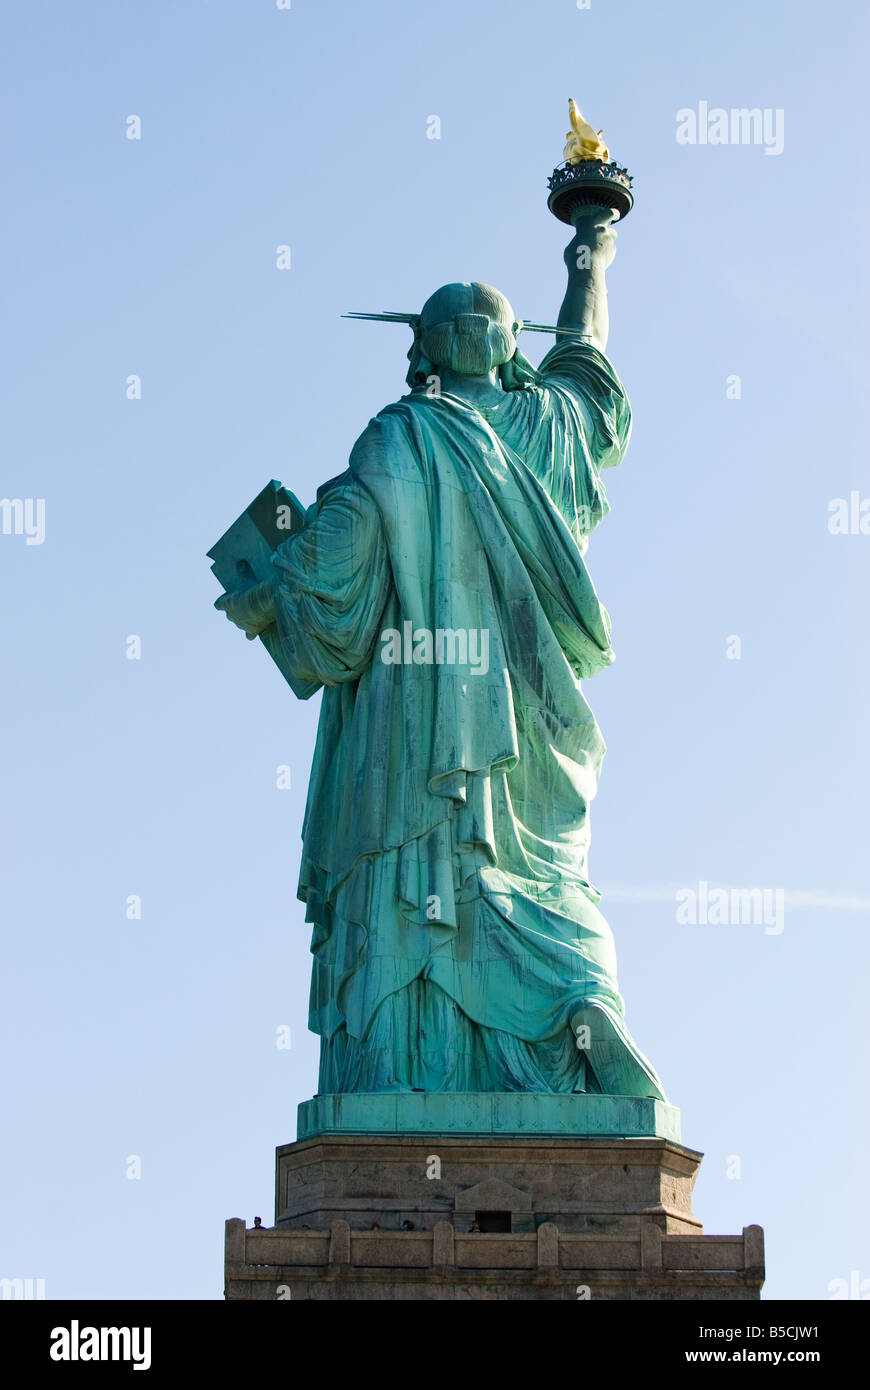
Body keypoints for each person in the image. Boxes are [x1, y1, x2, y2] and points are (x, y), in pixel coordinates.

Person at [217, 207, 665, 1102]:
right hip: (523, 713)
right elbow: (585, 358)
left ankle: (394, 1074)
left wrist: (266, 575)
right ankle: (576, 1002)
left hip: (409, 723)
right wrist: (592, 249)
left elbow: (323, 586)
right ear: (506, 350)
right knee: (538, 876)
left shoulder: (394, 438)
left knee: (414, 871)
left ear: (420, 353)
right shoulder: (545, 430)